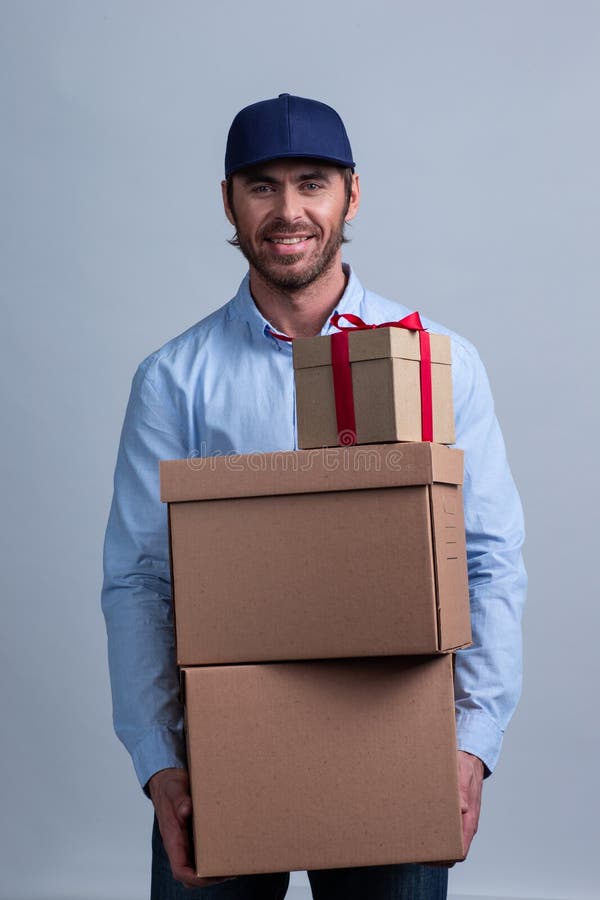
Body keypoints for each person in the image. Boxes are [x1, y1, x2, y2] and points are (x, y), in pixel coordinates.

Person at [102, 93, 526, 900]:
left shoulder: (437, 363)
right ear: (227, 200)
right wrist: (159, 763)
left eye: (312, 182)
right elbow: (140, 580)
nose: (288, 210)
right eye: (261, 186)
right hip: (224, 752)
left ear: (351, 194)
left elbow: (488, 558)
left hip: (394, 737)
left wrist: (471, 744)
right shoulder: (173, 380)